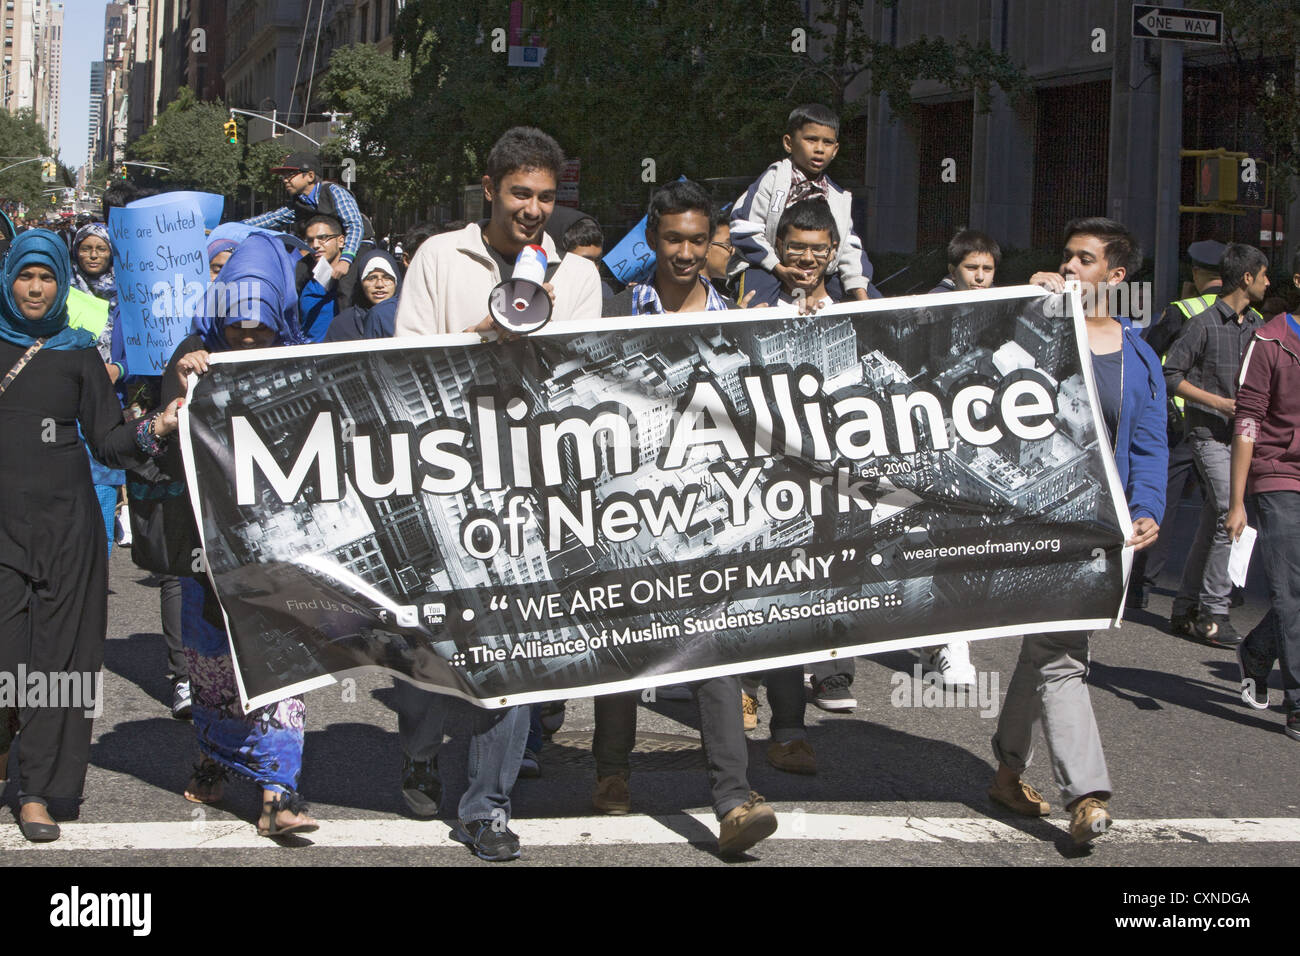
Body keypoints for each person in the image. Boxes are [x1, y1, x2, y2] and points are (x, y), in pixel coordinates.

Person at [392, 127, 600, 862]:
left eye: (546, 196)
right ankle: (419, 748)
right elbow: (400, 363)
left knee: (514, 645)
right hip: (449, 476)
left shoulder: (574, 276)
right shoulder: (440, 258)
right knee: (432, 641)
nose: (533, 209)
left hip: (530, 481)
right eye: (520, 193)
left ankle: (488, 807)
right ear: (490, 189)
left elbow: (586, 381)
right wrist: (481, 336)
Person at [591, 179, 778, 854]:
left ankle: (733, 799)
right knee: (626, 643)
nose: (686, 252)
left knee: (713, 645)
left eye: (699, 240)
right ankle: (611, 771)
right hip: (625, 506)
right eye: (673, 238)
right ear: (651, 238)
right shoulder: (613, 310)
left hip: (705, 510)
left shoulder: (738, 315)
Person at [0, 229, 182, 842]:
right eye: (25, 276)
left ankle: (38, 792)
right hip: (0, 531)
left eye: (46, 277)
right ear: (9, 279)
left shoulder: (78, 351)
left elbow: (107, 440)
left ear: (60, 285)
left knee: (57, 666)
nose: (35, 287)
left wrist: (156, 423)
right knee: (6, 663)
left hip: (68, 529)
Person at [990, 217, 1167, 846]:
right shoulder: (1038, 321)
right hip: (1038, 516)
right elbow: (976, 348)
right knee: (1062, 655)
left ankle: (1008, 769)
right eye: (1066, 257)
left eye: (1084, 261)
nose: (1069, 268)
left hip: (1103, 528)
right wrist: (1023, 298)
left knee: (1045, 647)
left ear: (1116, 277)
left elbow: (1148, 444)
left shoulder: (1139, 354)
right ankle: (1086, 792)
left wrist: (1148, 508)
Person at [159, 232, 320, 838]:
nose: (248, 334)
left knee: (283, 657)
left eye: (260, 322)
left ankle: (280, 789)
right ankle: (215, 755)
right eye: (237, 321)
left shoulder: (304, 360)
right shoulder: (190, 358)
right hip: (208, 543)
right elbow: (155, 447)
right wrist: (181, 388)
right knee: (214, 665)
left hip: (281, 547)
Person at [1163, 244, 1269, 647]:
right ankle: (1213, 612)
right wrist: (1218, 402)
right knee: (1229, 512)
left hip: (1242, 438)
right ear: (1246, 278)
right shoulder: (1203, 324)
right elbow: (1171, 374)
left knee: (1213, 520)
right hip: (1208, 434)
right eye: (1262, 276)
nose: (1266, 283)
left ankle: (1184, 606)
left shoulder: (1256, 325)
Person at [915, 228, 1004, 687]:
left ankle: (946, 643)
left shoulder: (994, 304)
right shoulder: (937, 306)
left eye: (988, 270)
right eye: (972, 269)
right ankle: (946, 645)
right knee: (948, 535)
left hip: (974, 430)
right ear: (952, 271)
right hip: (936, 433)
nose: (982, 277)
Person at [1226, 247, 1300, 742]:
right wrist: (1236, 500)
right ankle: (1297, 701)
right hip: (1279, 476)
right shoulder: (1270, 341)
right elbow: (1248, 418)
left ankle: (1257, 650)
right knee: (1292, 589)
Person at [1130, 240, 1228, 609]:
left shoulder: (1182, 310)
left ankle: (1141, 586)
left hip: (1180, 424)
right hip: (1225, 427)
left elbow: (1147, 354)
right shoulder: (1249, 314)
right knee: (1223, 510)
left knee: (1163, 505)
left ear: (1197, 273)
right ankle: (1221, 590)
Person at [730, 103, 875, 305]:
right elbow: (743, 229)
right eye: (811, 140)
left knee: (877, 303)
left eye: (827, 143)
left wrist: (863, 298)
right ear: (789, 143)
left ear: (835, 150)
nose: (819, 149)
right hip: (765, 266)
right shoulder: (772, 182)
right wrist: (779, 269)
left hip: (820, 270)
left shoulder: (838, 197)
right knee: (757, 309)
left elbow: (849, 248)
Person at [245, 151, 371, 282]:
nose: (285, 180)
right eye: (283, 176)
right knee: (297, 275)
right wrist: (236, 226)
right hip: (327, 252)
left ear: (310, 176)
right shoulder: (299, 203)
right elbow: (272, 218)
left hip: (356, 248)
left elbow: (354, 225)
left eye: (290, 175)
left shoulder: (334, 191)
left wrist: (346, 260)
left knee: (346, 289)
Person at [325, 246, 402, 342]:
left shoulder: (407, 317)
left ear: (396, 281)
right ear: (361, 283)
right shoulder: (343, 324)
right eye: (371, 278)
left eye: (387, 278)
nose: (379, 284)